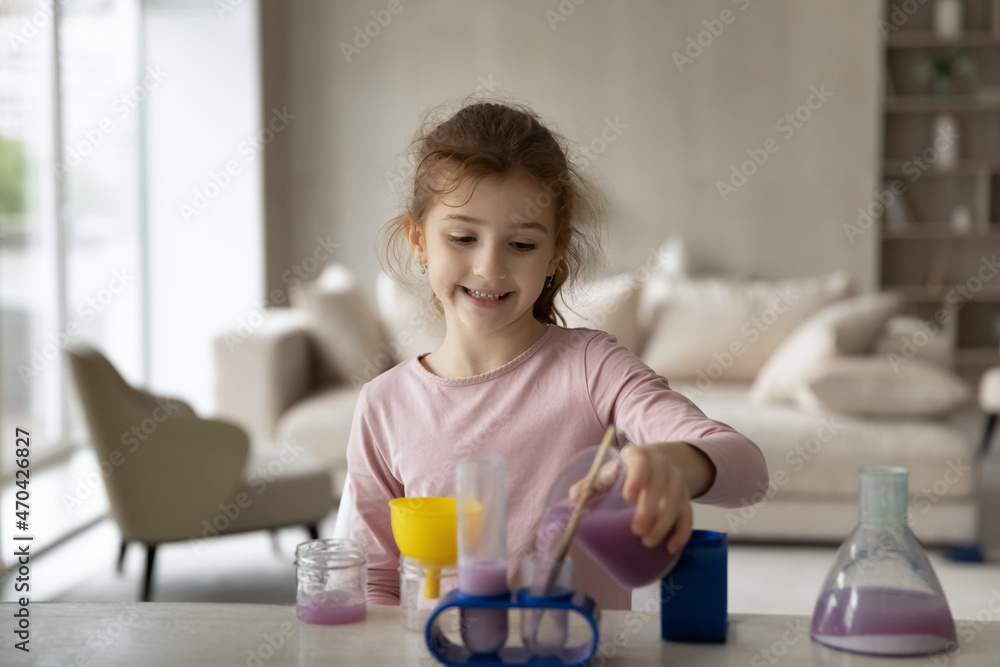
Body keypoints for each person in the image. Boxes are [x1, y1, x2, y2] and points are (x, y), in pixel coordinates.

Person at [347, 97, 768, 610]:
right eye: (462, 237)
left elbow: (748, 472)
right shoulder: (383, 405)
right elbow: (376, 583)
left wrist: (674, 464)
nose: (489, 267)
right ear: (418, 240)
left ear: (556, 252)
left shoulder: (593, 369)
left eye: (521, 245)